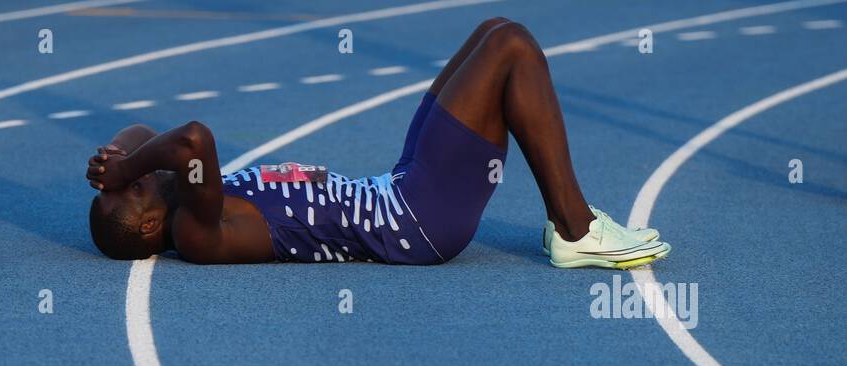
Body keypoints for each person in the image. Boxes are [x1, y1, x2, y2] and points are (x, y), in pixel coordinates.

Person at [86, 17, 668, 269]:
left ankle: (572, 224)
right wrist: (127, 168)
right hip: (416, 220)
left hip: (400, 192)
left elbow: (139, 136)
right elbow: (191, 139)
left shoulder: (177, 196)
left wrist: (114, 160)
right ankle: (575, 229)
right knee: (512, 45)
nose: (136, 176)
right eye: (132, 191)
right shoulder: (194, 230)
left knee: (492, 30)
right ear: (145, 228)